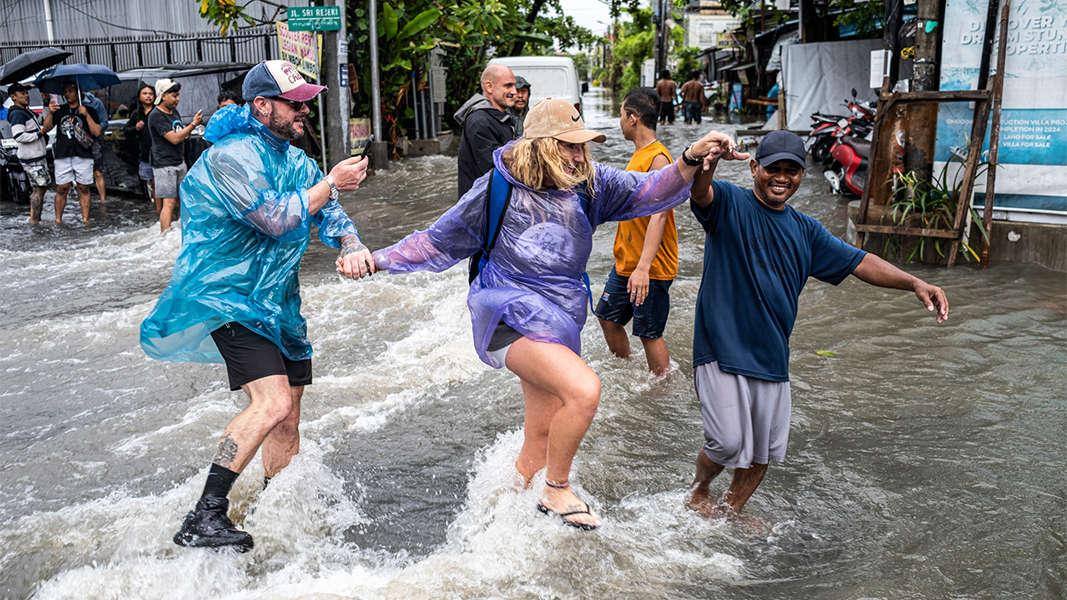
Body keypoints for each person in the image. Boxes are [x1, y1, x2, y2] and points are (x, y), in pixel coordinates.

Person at [372, 99, 727, 530]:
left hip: (557, 321)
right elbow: (435, 241)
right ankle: (556, 489)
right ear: (538, 146)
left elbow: (650, 188)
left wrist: (691, 156)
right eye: (569, 147)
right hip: (505, 317)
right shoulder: (495, 189)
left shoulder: (589, 185)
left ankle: (494, 525)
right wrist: (376, 260)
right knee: (584, 389)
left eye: (583, 147)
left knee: (539, 441)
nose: (580, 156)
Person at [140, 60, 374, 552]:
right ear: (262, 105)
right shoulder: (232, 156)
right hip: (228, 299)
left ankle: (275, 507)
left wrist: (351, 244)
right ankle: (203, 516)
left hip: (280, 304)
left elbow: (328, 213)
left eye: (307, 102)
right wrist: (331, 181)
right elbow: (274, 217)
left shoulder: (295, 160)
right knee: (272, 402)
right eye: (295, 103)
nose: (304, 111)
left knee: (288, 417)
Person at [685, 130, 950, 518]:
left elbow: (860, 262)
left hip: (772, 356)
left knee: (763, 453)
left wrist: (915, 282)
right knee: (727, 442)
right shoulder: (730, 202)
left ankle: (731, 511)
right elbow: (700, 192)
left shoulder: (806, 231)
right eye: (773, 168)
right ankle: (699, 489)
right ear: (754, 167)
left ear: (800, 176)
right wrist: (704, 161)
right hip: (721, 348)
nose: (782, 177)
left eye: (791, 170)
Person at [595, 88, 678, 377]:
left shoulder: (658, 159)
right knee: (606, 316)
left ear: (633, 118)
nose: (619, 121)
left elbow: (659, 217)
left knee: (649, 332)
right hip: (627, 263)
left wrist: (643, 268)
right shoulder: (639, 156)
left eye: (621, 115)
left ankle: (663, 386)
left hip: (650, 267)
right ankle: (627, 371)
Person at [148, 78, 202, 232]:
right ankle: (164, 235)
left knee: (184, 200)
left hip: (179, 161)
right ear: (163, 95)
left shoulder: (173, 112)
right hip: (164, 164)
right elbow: (174, 138)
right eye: (174, 96)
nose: (177, 99)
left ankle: (181, 230)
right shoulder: (156, 115)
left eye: (178, 95)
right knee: (169, 202)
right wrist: (193, 125)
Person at [454, 63, 516, 198]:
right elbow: (496, 168)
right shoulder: (480, 121)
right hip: (481, 205)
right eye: (508, 86)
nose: (514, 91)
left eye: (514, 85)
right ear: (489, 87)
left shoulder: (500, 117)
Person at [52, 81, 100, 224]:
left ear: (78, 93)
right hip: (63, 153)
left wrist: (86, 114)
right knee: (62, 187)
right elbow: (47, 128)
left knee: (83, 187)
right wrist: (49, 112)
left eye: (70, 91)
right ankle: (58, 220)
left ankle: (85, 219)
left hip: (83, 153)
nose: (67, 94)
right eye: (65, 91)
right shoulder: (59, 110)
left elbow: (97, 131)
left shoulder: (89, 110)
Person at [7, 83, 55, 223]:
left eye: (26, 93)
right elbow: (19, 136)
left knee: (42, 186)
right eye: (22, 93)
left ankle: (35, 217)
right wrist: (39, 134)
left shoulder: (26, 111)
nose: (26, 95)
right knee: (38, 188)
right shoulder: (17, 113)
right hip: (31, 157)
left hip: (38, 155)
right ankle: (34, 219)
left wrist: (46, 104)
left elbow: (43, 121)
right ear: (13, 97)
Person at [122, 84, 157, 211]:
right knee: (152, 183)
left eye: (151, 94)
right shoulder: (136, 114)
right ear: (139, 97)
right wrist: (135, 128)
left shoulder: (158, 111)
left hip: (160, 154)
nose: (148, 96)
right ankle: (156, 210)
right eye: (145, 94)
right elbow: (126, 131)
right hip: (145, 154)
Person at [81, 90, 109, 204]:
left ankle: (103, 199)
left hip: (94, 141)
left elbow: (104, 123)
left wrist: (95, 129)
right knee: (81, 173)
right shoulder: (68, 103)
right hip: (77, 143)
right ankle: (82, 199)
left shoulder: (95, 102)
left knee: (97, 171)